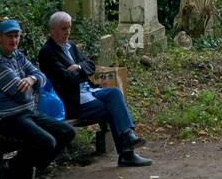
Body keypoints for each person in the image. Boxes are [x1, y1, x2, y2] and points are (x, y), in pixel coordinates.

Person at [38, 12, 152, 168]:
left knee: (114, 93)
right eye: (64, 28)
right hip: (72, 102)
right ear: (53, 30)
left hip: (88, 92)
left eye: (69, 28)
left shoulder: (71, 46)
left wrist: (78, 67)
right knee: (111, 108)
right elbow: (66, 79)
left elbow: (90, 65)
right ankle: (127, 151)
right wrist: (81, 72)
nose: (68, 32)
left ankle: (128, 137)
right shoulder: (47, 52)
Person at [0, 18, 75, 179]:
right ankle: (9, 173)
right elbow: (20, 93)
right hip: (5, 118)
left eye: (16, 36)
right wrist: (32, 85)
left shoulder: (17, 55)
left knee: (66, 132)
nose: (13, 40)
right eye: (9, 36)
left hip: (26, 113)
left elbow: (41, 76)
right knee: (47, 141)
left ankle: (15, 169)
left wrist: (31, 79)